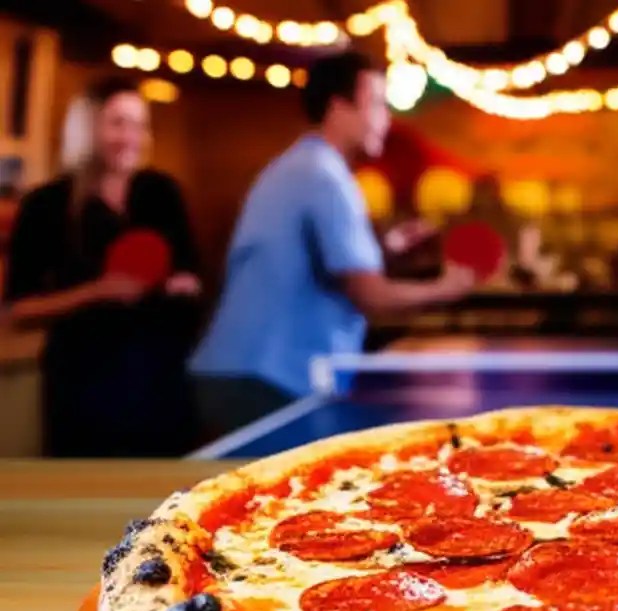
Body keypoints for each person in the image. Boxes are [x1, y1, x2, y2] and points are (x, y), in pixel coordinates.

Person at [190, 52, 474, 437]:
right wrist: (447, 288)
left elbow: (317, 263)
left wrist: (386, 248)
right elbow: (369, 294)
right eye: (375, 103)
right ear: (339, 109)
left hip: (241, 373)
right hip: (262, 379)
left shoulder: (300, 165)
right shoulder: (326, 177)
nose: (385, 119)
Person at [3, 77, 203, 457]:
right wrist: (97, 290)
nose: (131, 136)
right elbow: (18, 309)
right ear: (87, 128)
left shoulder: (162, 193)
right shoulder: (45, 206)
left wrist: (184, 283)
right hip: (84, 387)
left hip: (161, 381)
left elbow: (190, 273)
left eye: (140, 125)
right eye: (118, 123)